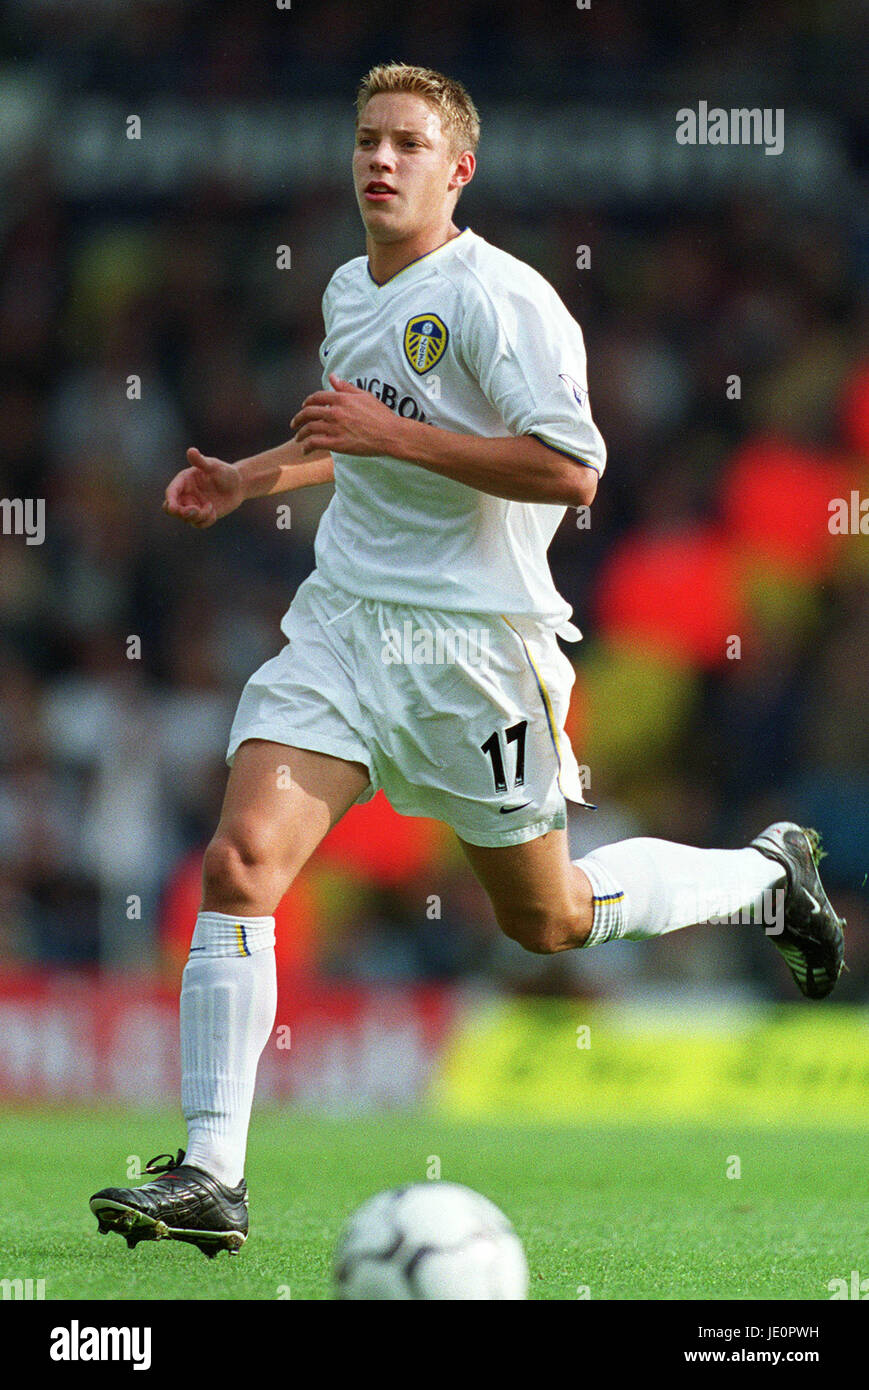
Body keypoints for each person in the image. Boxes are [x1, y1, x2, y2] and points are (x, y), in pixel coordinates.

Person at [89, 63, 845, 1259]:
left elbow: (570, 470)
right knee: (240, 864)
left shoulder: (506, 302)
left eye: (405, 145)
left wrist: (393, 432)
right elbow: (350, 440)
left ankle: (762, 877)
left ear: (458, 171)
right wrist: (253, 476)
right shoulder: (349, 287)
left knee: (542, 919)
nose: (379, 162)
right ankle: (211, 1175)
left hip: (471, 653)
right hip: (342, 627)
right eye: (366, 143)